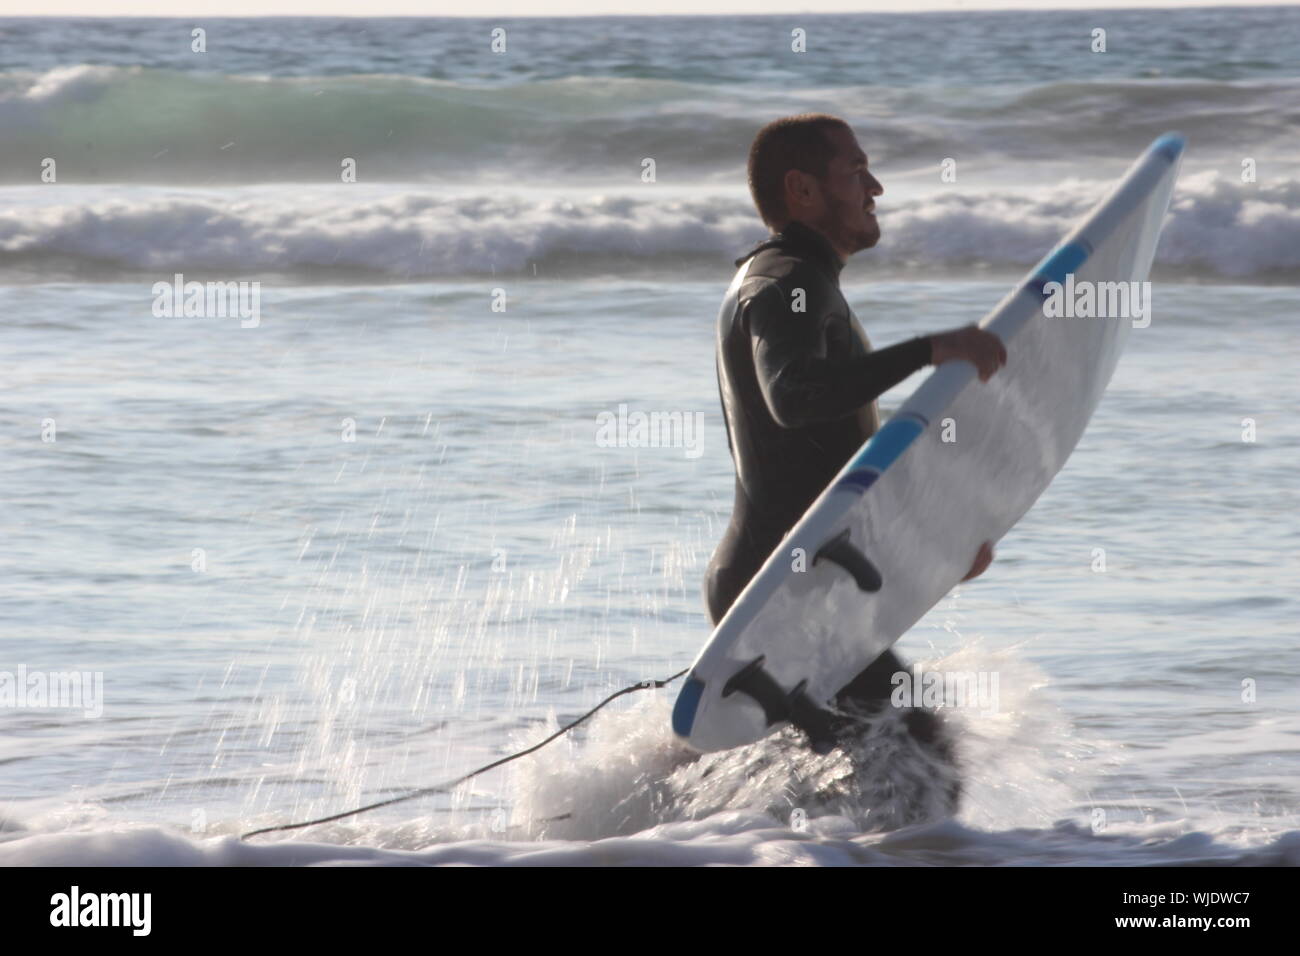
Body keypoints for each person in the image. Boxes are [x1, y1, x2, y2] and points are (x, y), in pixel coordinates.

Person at [706, 113, 1006, 750]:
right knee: (918, 751)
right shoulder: (785, 282)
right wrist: (932, 349)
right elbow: (795, 397)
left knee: (863, 773)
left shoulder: (798, 283)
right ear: (804, 190)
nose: (876, 188)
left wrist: (938, 552)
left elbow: (828, 474)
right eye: (856, 171)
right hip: (784, 593)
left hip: (799, 585)